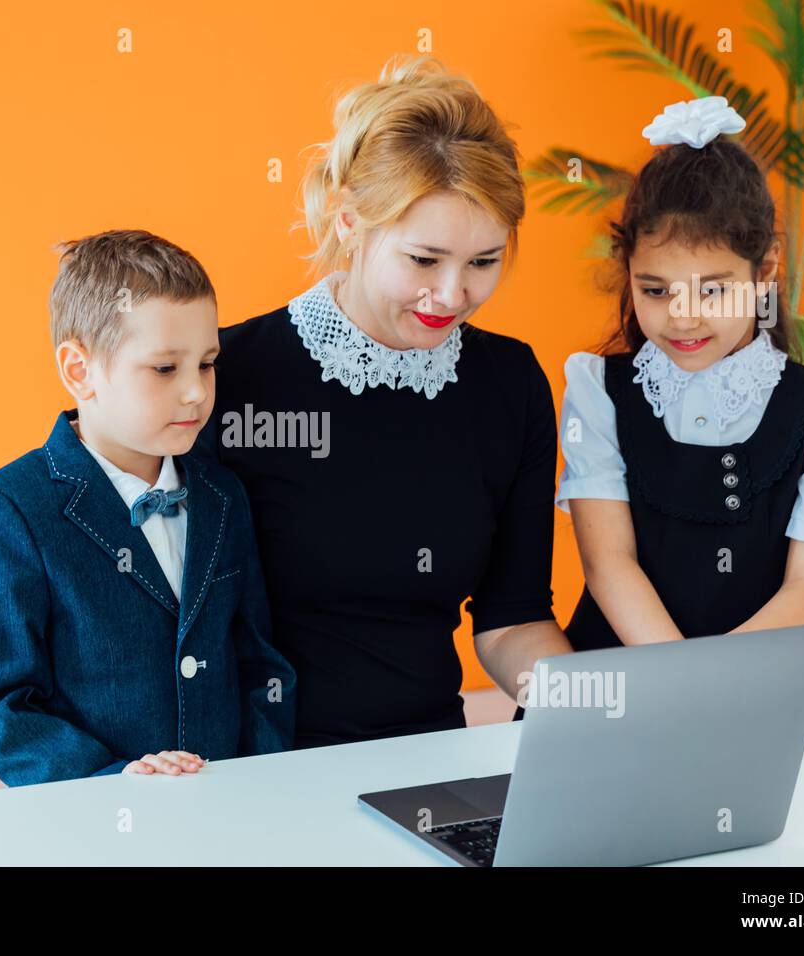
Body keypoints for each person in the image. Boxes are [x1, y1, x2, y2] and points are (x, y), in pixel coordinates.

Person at [196, 55, 573, 748]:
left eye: (484, 262)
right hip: (253, 768)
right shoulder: (230, 376)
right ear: (348, 222)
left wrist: (590, 709)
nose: (453, 295)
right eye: (424, 260)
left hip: (427, 760)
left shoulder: (510, 384)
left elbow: (512, 620)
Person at [0, 229, 296, 784]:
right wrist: (109, 782)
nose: (196, 392)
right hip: (94, 823)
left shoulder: (222, 494)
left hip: (232, 808)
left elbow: (260, 660)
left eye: (206, 364)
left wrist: (259, 777)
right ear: (79, 371)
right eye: (165, 369)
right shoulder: (7, 507)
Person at [552, 95, 804, 663]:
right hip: (614, 682)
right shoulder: (596, 390)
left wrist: (708, 693)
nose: (683, 316)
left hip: (745, 694)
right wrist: (685, 684)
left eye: (712, 289)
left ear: (767, 269)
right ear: (626, 271)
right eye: (655, 290)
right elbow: (609, 565)